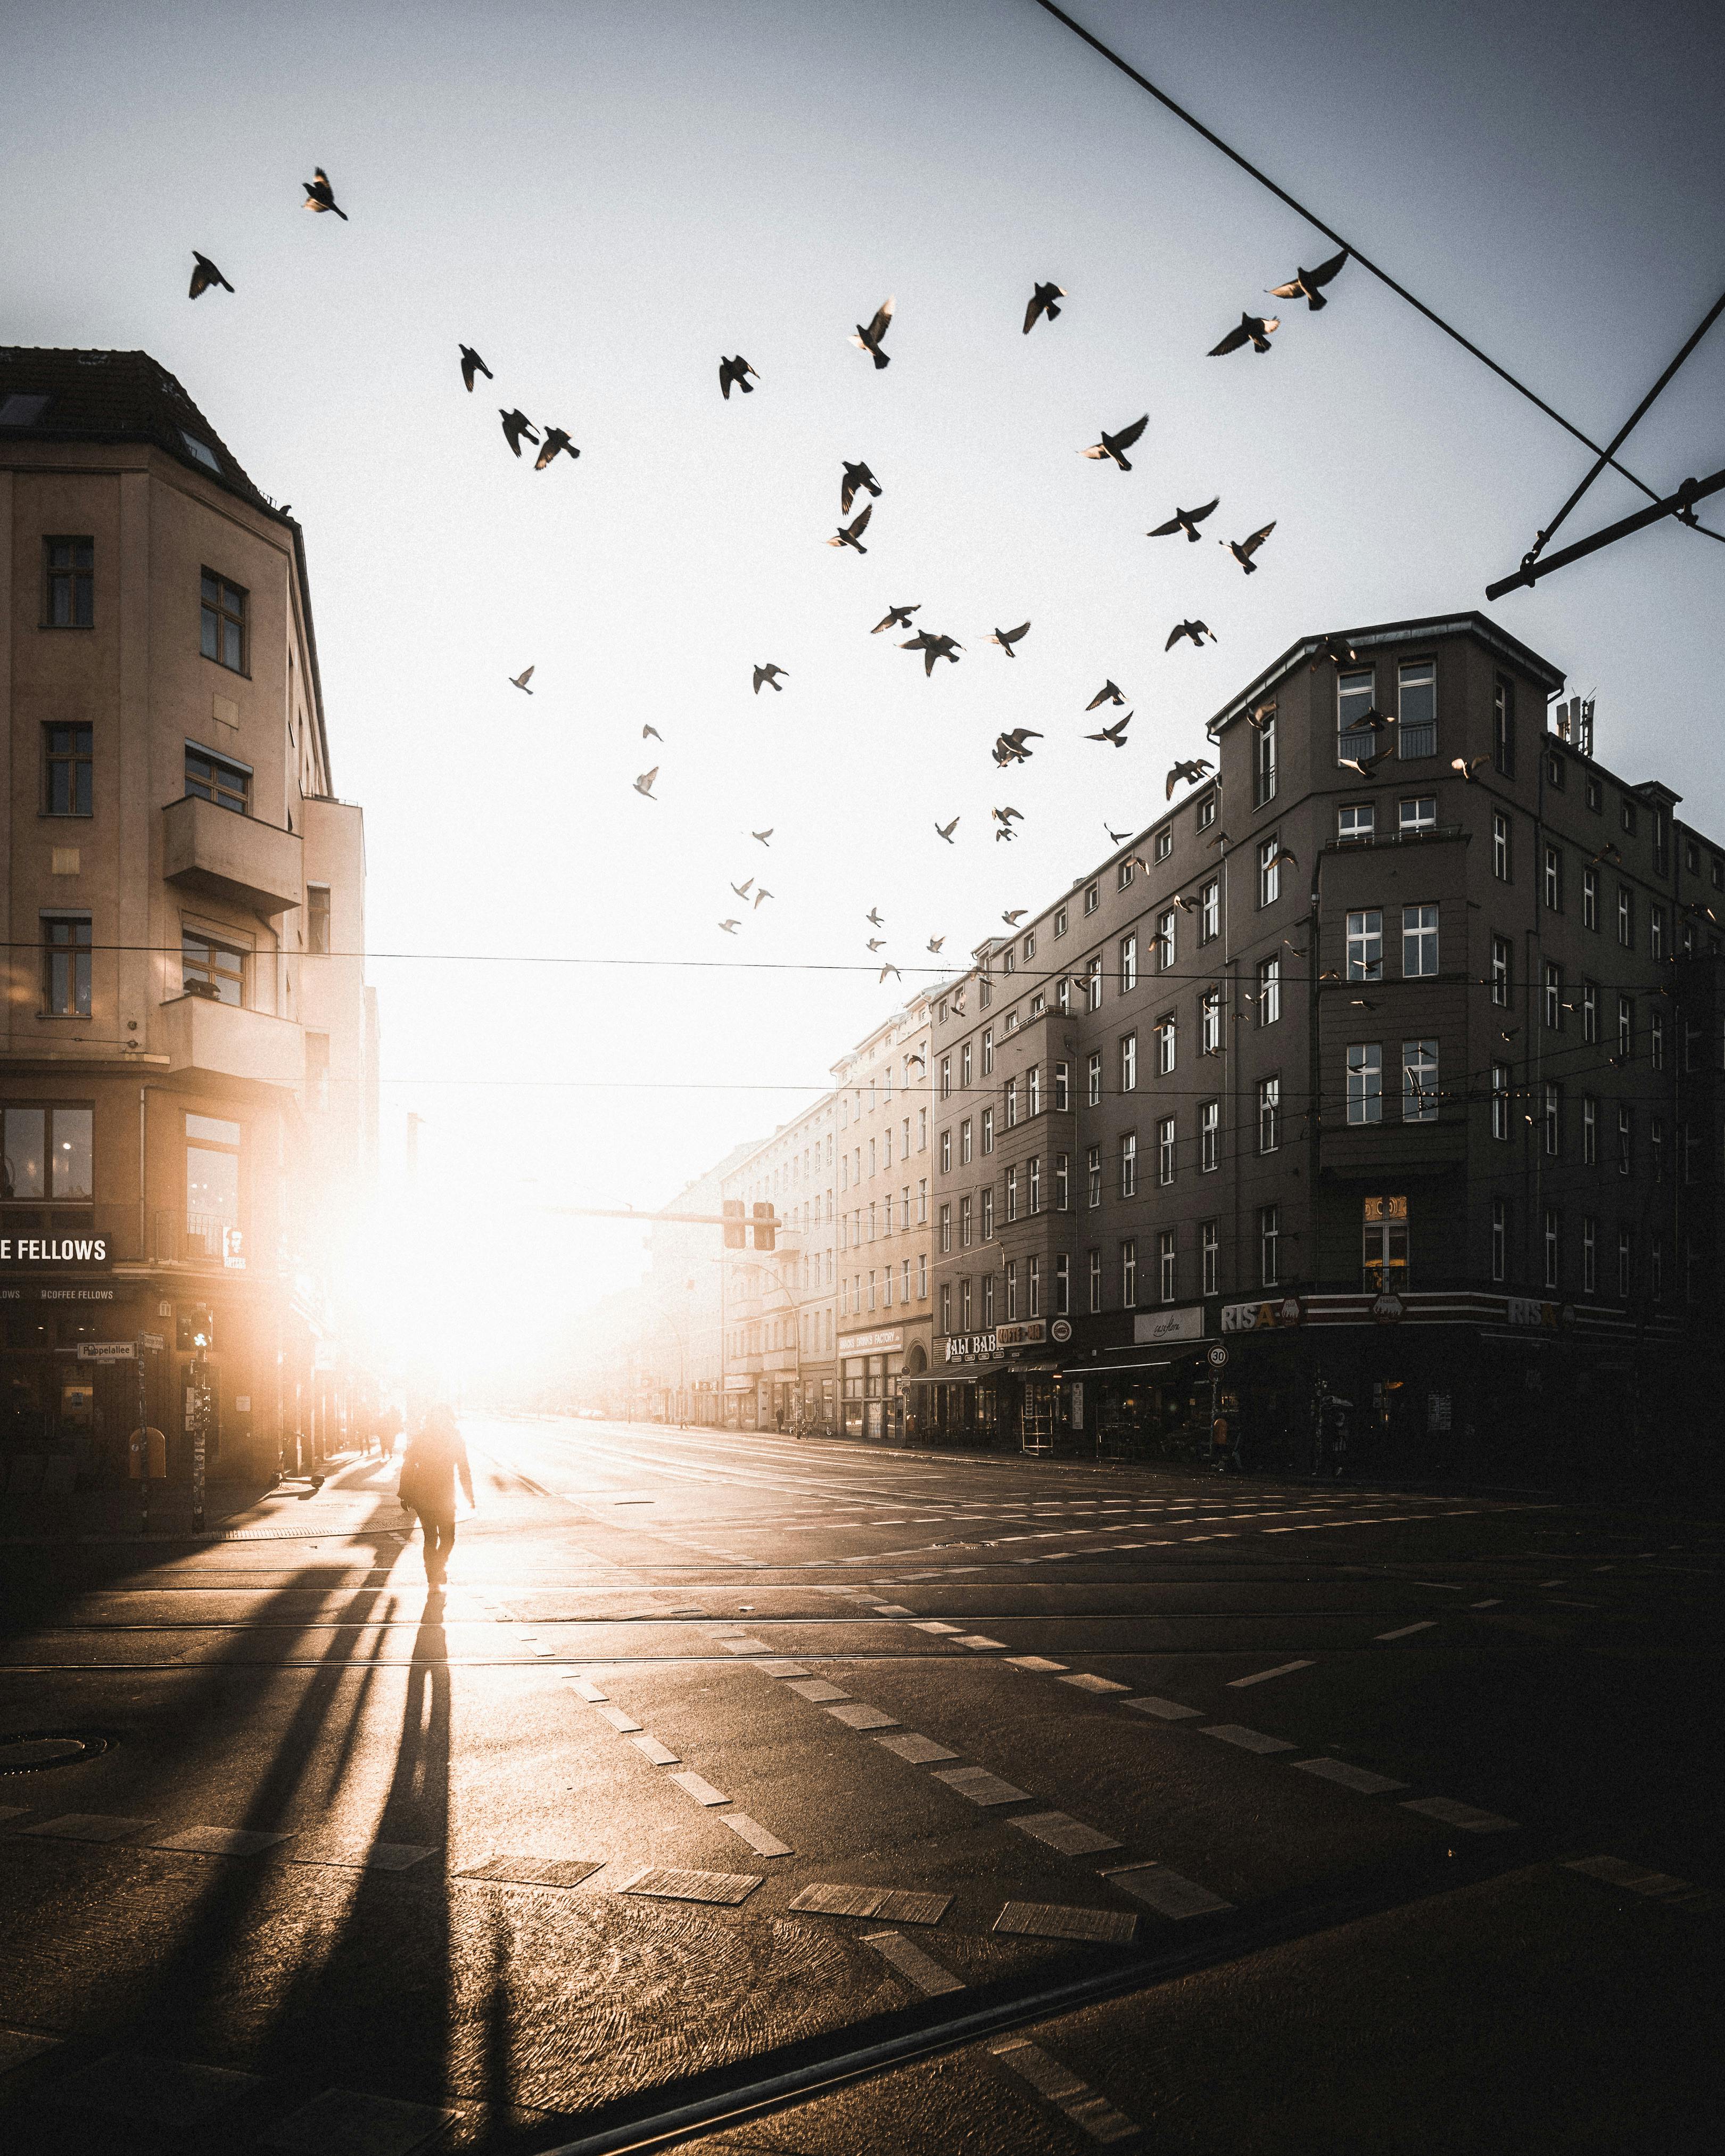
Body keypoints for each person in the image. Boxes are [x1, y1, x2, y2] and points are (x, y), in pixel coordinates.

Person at [396, 1404, 474, 1586]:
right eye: (438, 1418)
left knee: (448, 1538)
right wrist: (405, 1494)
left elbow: (464, 1469)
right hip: (426, 1496)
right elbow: (408, 1465)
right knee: (432, 1537)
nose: (441, 1421)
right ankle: (433, 1571)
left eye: (444, 1417)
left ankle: (435, 1567)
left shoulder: (454, 1439)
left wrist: (469, 1494)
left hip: (443, 1495)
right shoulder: (425, 1439)